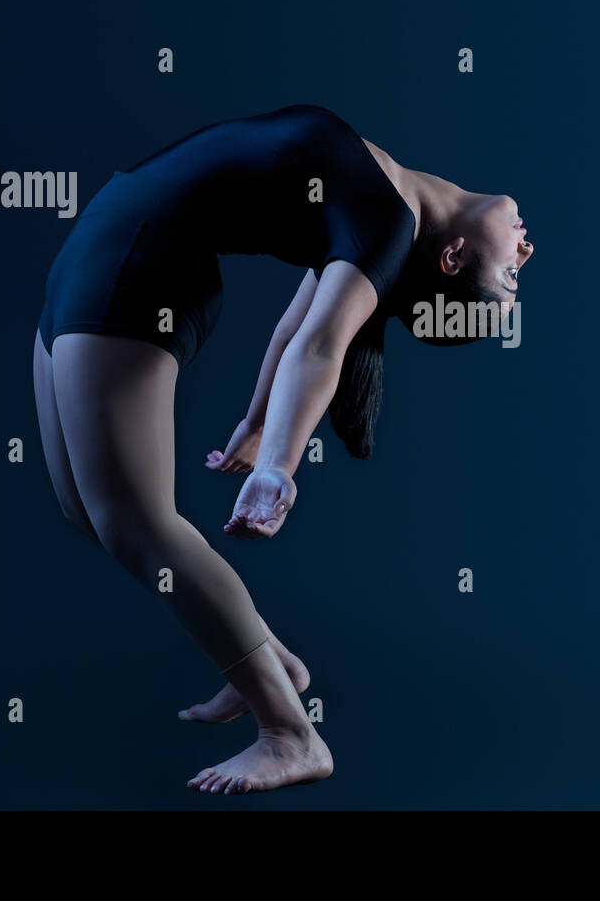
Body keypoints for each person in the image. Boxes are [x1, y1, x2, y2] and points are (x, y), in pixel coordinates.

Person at [31, 104, 534, 793]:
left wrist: (277, 467)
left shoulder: (389, 223)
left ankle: (290, 732)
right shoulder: (380, 207)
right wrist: (258, 421)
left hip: (142, 260)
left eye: (512, 277)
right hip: (103, 238)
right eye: (513, 276)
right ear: (450, 257)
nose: (526, 254)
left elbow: (321, 346)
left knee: (136, 523)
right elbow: (298, 327)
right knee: (83, 509)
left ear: (451, 259)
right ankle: (263, 656)